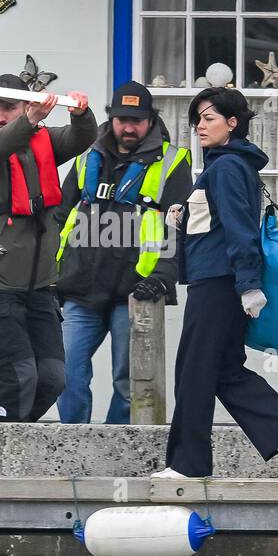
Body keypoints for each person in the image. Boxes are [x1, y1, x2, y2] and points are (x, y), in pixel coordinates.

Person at [157, 87, 278, 479]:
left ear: (232, 123)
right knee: (224, 369)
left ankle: (188, 464)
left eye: (209, 118)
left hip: (218, 282)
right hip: (222, 278)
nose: (200, 125)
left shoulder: (226, 166)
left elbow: (239, 227)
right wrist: (184, 217)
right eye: (197, 119)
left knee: (194, 371)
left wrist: (248, 284)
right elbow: (221, 220)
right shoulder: (228, 164)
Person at [54, 81, 192, 423]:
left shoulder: (173, 162)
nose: (128, 127)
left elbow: (177, 225)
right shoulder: (88, 155)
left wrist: (162, 276)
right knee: (66, 375)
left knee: (130, 382)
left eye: (137, 120)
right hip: (77, 288)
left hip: (136, 291)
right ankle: (74, 447)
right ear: (111, 118)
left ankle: (116, 452)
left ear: (150, 120)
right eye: (121, 119)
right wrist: (50, 275)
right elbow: (59, 214)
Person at [0, 74, 96, 423]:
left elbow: (83, 137)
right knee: (19, 377)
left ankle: (10, 440)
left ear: (24, 105)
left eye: (7, 107)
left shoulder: (42, 140)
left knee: (54, 378)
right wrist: (29, 119)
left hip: (39, 286)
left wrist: (81, 113)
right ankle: (1, 458)